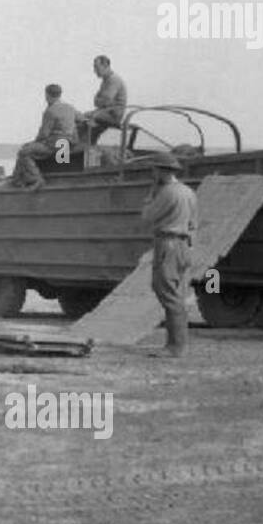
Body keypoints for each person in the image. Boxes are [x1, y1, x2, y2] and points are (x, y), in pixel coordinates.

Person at [140, 153, 199, 358]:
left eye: (154, 169)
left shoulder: (166, 193)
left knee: (166, 291)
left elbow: (147, 217)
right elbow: (193, 223)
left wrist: (151, 195)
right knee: (177, 294)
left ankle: (175, 346)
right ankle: (178, 344)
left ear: (161, 171)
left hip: (168, 243)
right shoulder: (188, 191)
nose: (152, 173)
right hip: (184, 244)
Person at [11, 84, 79, 189]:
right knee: (28, 149)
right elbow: (83, 119)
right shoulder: (70, 108)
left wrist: (33, 143)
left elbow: (44, 134)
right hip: (69, 142)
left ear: (47, 95)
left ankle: (36, 179)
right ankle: (18, 179)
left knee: (24, 152)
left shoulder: (50, 111)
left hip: (56, 144)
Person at [77, 55, 128, 144]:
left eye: (97, 67)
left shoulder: (113, 80)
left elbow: (105, 101)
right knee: (82, 119)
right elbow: (97, 101)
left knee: (83, 118)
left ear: (105, 66)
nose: (95, 70)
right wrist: (99, 101)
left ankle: (82, 148)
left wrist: (99, 100)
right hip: (106, 112)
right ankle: (85, 146)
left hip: (113, 115)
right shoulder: (106, 80)